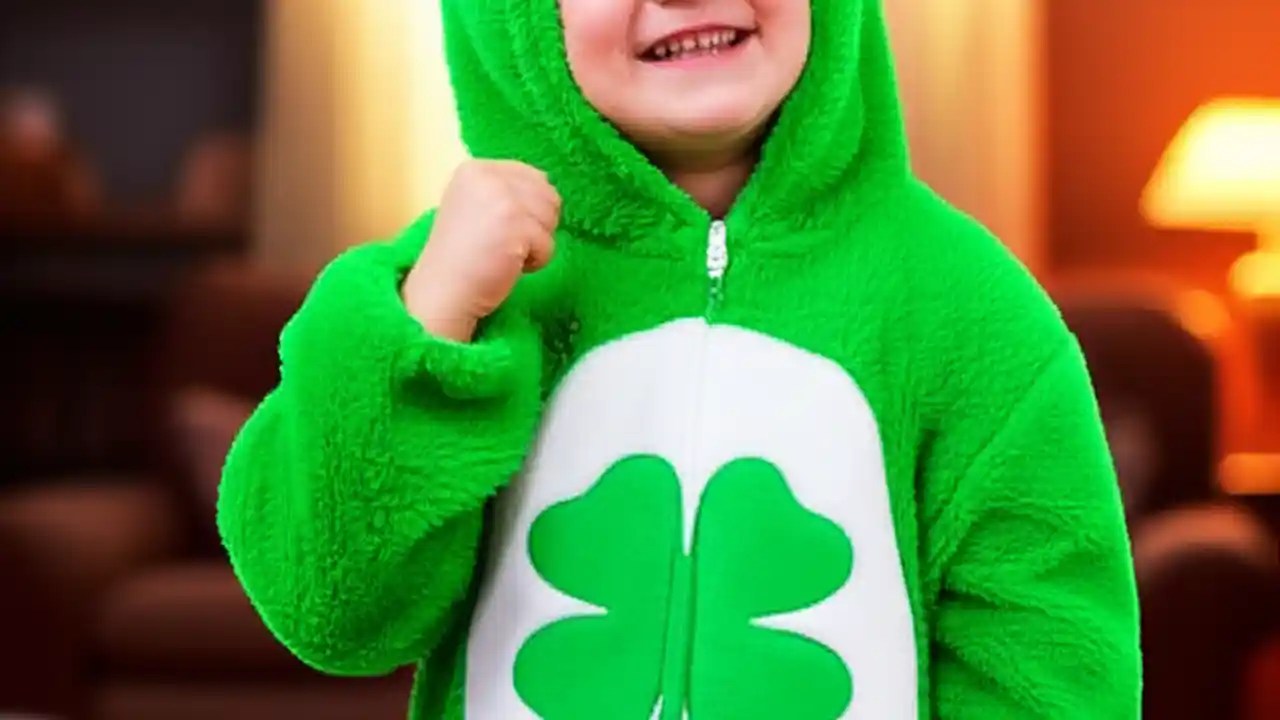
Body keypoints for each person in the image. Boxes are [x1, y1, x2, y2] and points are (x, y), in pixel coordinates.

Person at [217, 1, 1141, 718]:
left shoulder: (967, 308)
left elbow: (1047, 654)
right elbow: (333, 610)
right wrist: (423, 332)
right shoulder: (462, 291)